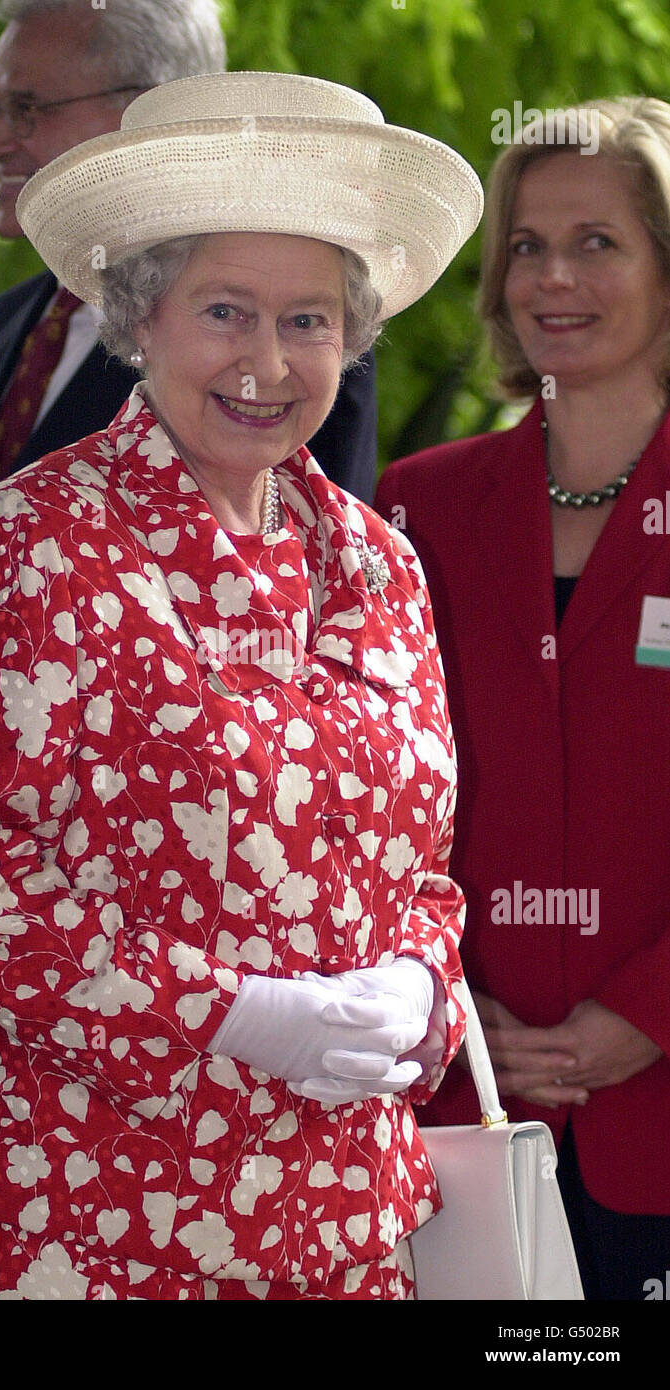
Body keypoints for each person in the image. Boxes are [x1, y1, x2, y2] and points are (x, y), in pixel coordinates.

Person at [0, 70, 481, 1301]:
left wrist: (422, 985)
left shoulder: (379, 560)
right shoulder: (25, 545)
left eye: (310, 320)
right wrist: (230, 1012)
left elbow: (419, 866)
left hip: (334, 1225)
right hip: (72, 1221)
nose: (268, 361)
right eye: (226, 310)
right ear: (138, 316)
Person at [0, 0, 378, 1066]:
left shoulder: (288, 371)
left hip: (177, 1022)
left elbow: (286, 691)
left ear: (147, 119)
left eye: (25, 106)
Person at [375, 97, 670, 1300]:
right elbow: (358, 803)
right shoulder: (413, 507)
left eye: (596, 241)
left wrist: (647, 1013)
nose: (553, 276)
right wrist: (442, 1003)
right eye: (526, 246)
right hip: (461, 1116)